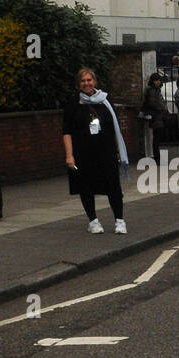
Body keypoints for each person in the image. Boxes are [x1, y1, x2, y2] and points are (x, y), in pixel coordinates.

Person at [64, 67, 129, 234]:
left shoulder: (105, 100)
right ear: (79, 84)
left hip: (106, 151)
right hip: (83, 153)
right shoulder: (73, 103)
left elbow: (114, 128)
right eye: (83, 81)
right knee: (86, 187)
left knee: (113, 186)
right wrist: (69, 155)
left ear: (95, 81)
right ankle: (93, 221)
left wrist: (120, 152)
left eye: (89, 80)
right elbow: (67, 132)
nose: (86, 83)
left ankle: (119, 221)